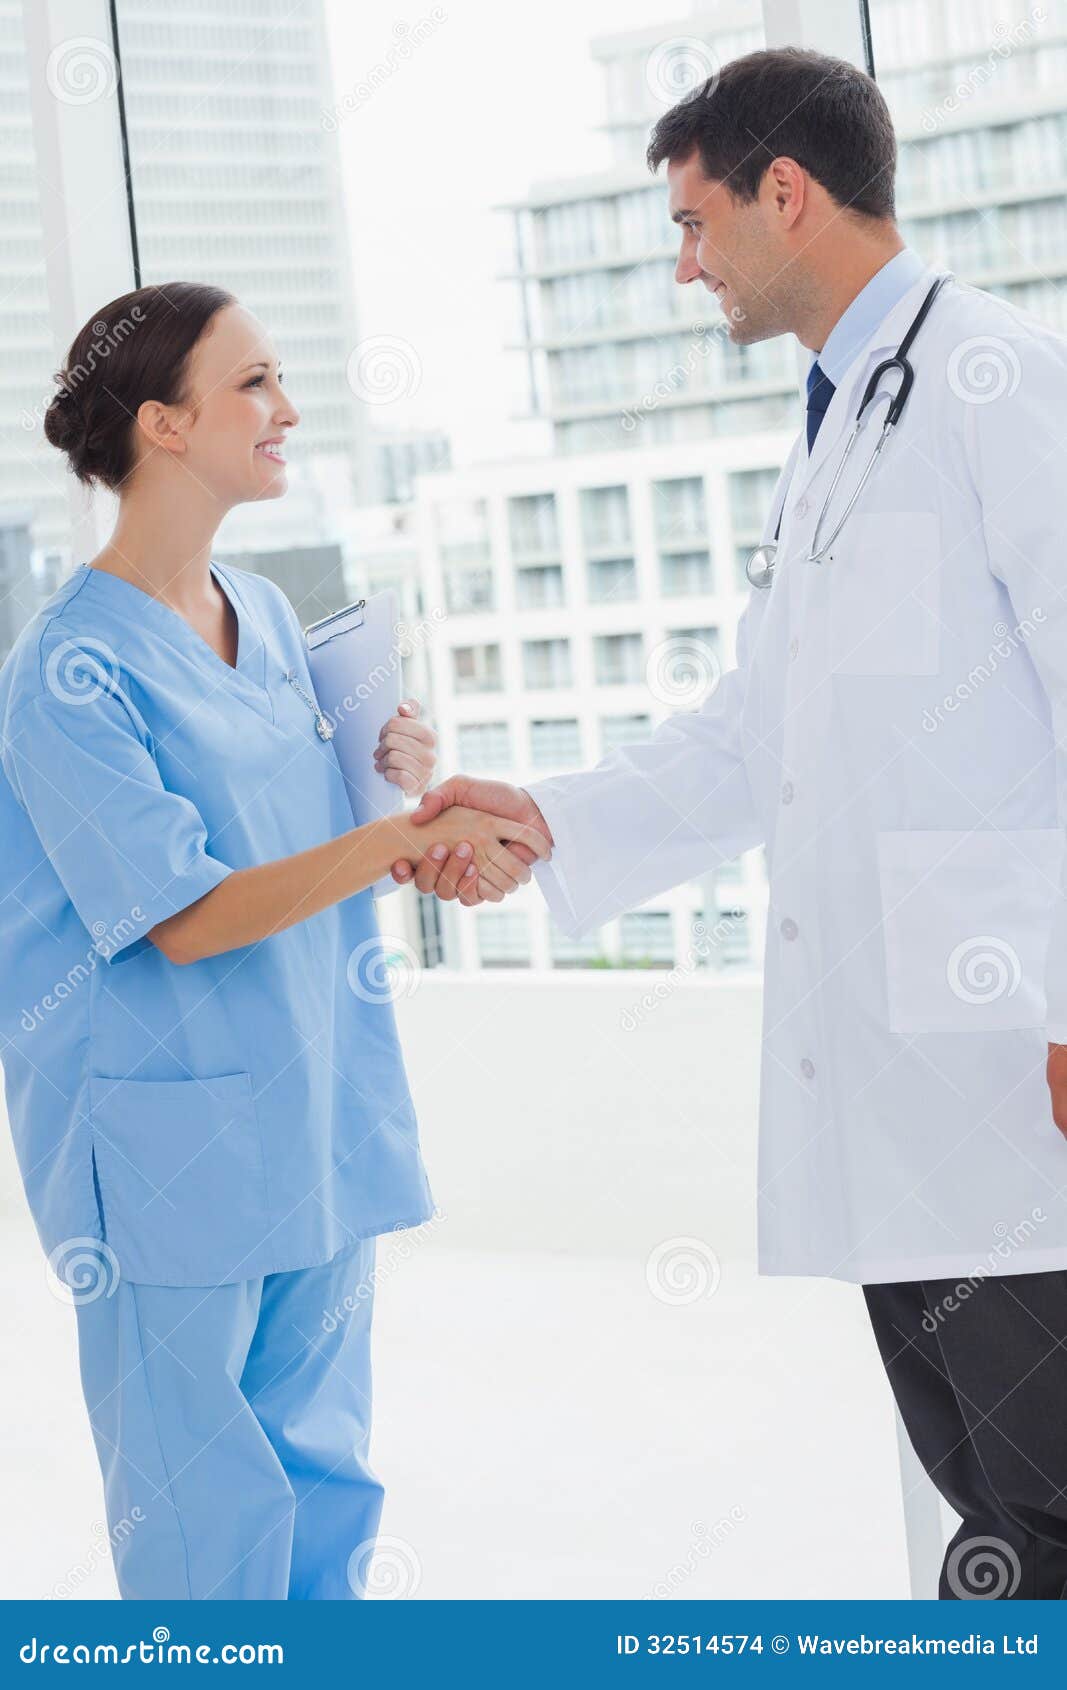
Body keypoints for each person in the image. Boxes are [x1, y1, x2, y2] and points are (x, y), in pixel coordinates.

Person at [404, 48, 1067, 1600]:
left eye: (696, 224)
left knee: (1046, 1512)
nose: (686, 265)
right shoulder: (842, 422)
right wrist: (547, 819)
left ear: (787, 192)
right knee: (994, 1503)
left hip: (1012, 1080)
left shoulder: (1001, 381)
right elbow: (755, 738)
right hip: (909, 1106)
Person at [0, 282, 548, 1600]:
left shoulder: (270, 616)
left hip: (310, 1121)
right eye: (253, 382)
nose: (287, 408)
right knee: (206, 1540)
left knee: (324, 1495)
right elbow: (187, 916)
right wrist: (397, 838)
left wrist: (387, 780)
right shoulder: (69, 671)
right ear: (163, 424)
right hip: (168, 1158)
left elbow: (302, 835)